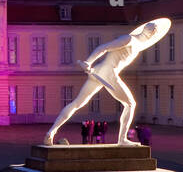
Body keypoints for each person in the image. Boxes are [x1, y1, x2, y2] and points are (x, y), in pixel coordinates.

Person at [43, 19, 172, 146]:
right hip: (109, 73)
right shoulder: (129, 39)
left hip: (99, 72)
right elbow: (103, 47)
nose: (154, 35)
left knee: (77, 103)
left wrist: (90, 63)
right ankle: (122, 139)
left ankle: (50, 133)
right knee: (130, 104)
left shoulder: (137, 44)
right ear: (149, 32)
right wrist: (88, 62)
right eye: (153, 32)